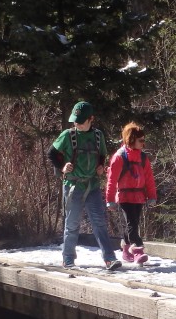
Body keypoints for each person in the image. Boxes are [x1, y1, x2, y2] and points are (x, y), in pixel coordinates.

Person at [48, 101, 121, 270]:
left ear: (91, 119)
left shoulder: (98, 136)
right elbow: (51, 153)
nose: (77, 124)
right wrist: (62, 166)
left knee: (99, 223)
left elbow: (102, 154)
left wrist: (100, 166)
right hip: (73, 186)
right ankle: (68, 259)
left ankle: (109, 259)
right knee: (72, 224)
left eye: (81, 121)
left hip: (92, 185)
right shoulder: (67, 135)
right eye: (75, 121)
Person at [106, 122, 157, 265]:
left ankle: (126, 249)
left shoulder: (143, 158)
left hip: (139, 197)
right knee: (131, 225)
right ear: (131, 139)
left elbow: (149, 178)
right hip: (124, 197)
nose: (143, 143)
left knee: (133, 223)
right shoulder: (119, 157)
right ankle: (138, 250)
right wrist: (110, 200)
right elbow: (111, 180)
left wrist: (152, 196)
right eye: (141, 140)